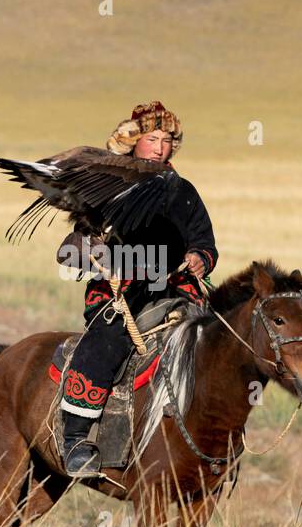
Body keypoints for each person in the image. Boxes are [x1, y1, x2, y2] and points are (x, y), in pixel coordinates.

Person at [56, 101, 218, 478]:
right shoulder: (105, 186)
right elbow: (69, 250)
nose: (160, 147)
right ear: (134, 142)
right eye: (152, 138)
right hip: (120, 293)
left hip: (175, 289)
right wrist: (91, 248)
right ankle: (76, 439)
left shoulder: (184, 191)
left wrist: (199, 258)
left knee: (217, 344)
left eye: (166, 140)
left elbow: (206, 242)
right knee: (107, 340)